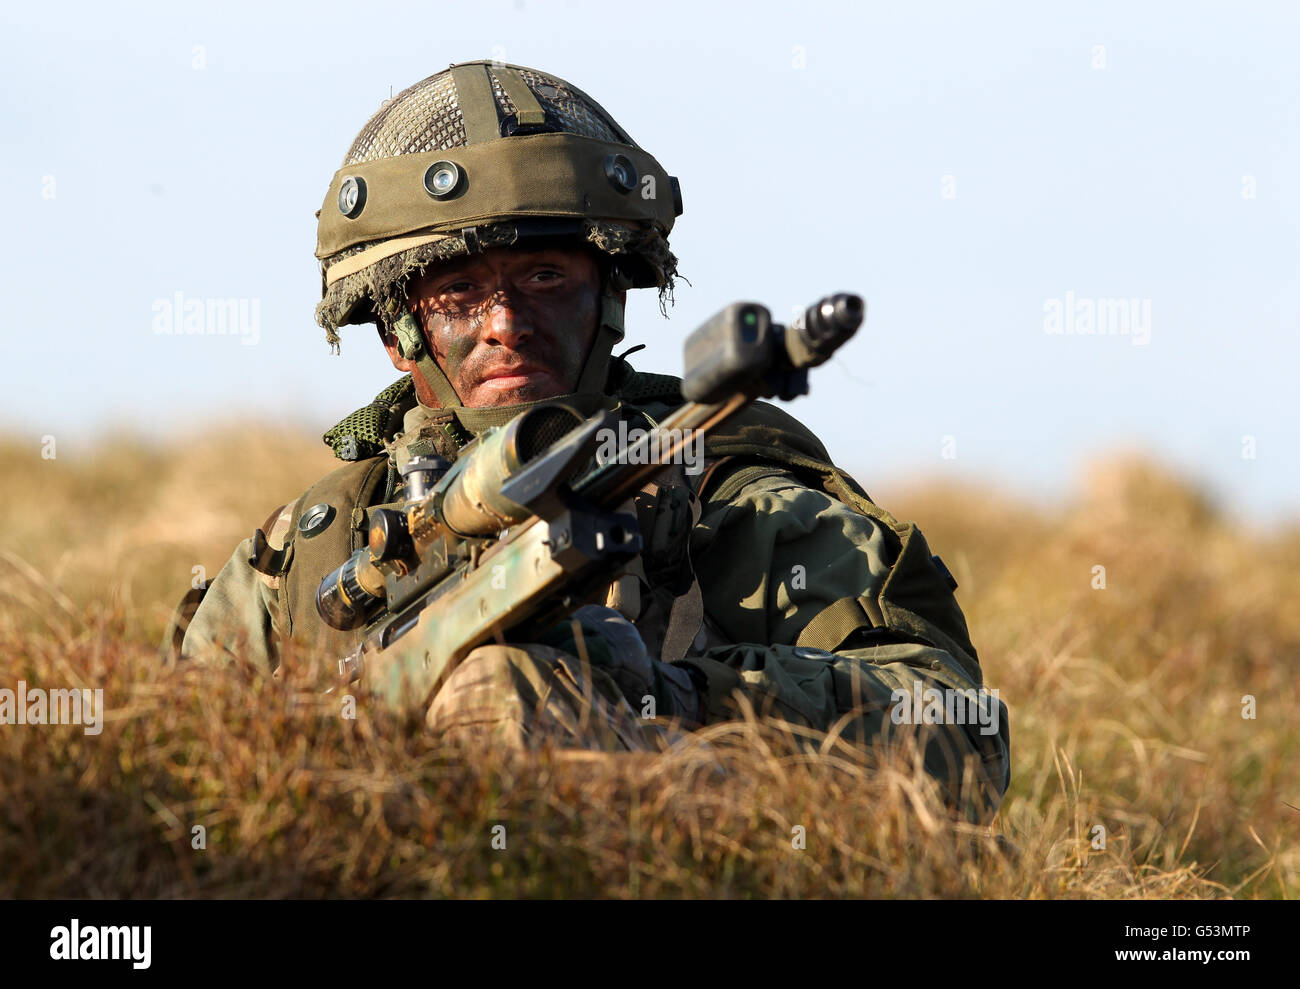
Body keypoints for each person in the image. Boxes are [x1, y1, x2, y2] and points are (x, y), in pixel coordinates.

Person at [167, 61, 1010, 820]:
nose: (505, 324)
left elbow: (963, 740)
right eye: (459, 292)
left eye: (545, 278)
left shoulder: (726, 490)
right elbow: (166, 790)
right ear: (396, 331)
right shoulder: (309, 554)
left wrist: (675, 701)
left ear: (609, 295)